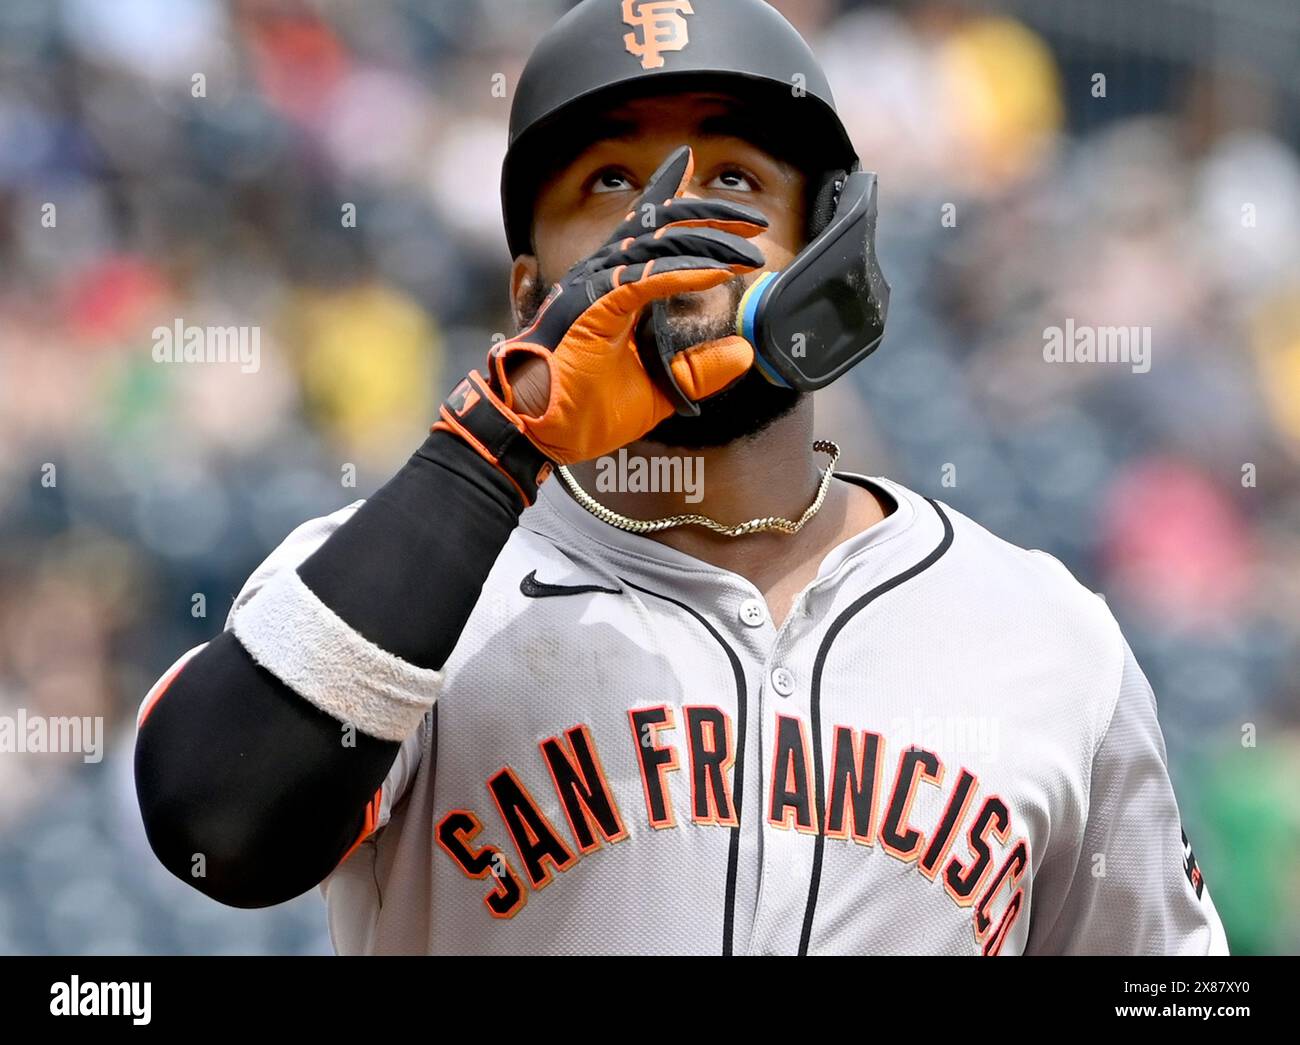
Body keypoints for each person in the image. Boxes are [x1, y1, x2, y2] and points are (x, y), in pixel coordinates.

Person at [134, 0, 1227, 955]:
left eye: (736, 179)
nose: (668, 222)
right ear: (529, 289)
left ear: (824, 249)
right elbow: (212, 832)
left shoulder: (1040, 635)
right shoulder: (398, 589)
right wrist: (497, 441)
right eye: (612, 181)